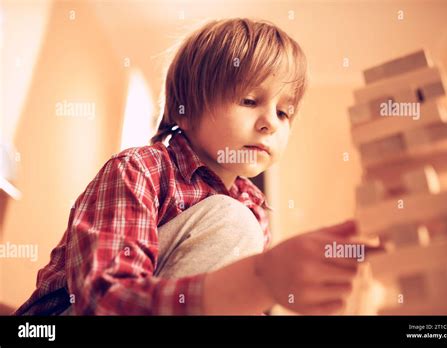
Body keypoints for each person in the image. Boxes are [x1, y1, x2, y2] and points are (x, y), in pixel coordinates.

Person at [15, 18, 363, 316]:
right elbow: (104, 301)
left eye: (284, 112)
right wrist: (256, 278)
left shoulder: (256, 211)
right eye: (250, 101)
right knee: (233, 221)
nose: (270, 122)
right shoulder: (139, 169)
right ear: (184, 110)